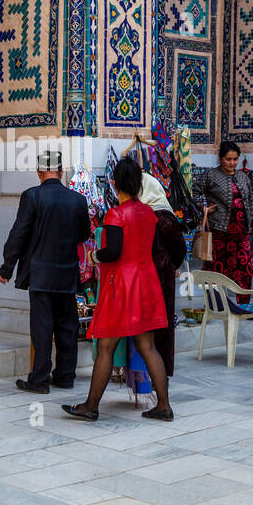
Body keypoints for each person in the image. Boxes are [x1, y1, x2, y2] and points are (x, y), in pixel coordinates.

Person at [63, 157, 173, 422]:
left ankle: (90, 406)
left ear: (114, 183)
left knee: (106, 347)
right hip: (147, 284)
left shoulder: (116, 214)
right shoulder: (149, 212)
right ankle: (164, 406)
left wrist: (93, 258)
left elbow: (113, 252)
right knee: (148, 346)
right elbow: (154, 247)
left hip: (122, 287)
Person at [0, 149, 92, 393]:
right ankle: (65, 375)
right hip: (67, 273)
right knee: (67, 326)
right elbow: (84, 234)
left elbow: (18, 234)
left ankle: (39, 379)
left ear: (39, 172)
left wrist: (7, 267)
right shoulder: (78, 200)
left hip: (40, 273)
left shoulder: (32, 196)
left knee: (42, 327)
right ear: (61, 172)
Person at [192, 141, 253, 302]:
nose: (232, 163)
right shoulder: (211, 175)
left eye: (235, 159)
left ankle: (243, 304)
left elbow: (250, 201)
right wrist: (204, 208)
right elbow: (193, 192)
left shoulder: (243, 177)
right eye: (228, 159)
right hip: (219, 230)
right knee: (217, 267)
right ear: (220, 158)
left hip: (241, 231)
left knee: (243, 266)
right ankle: (216, 305)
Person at [139, 172, 187, 377]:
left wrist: (170, 265)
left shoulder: (162, 216)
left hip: (159, 277)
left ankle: (160, 370)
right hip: (149, 275)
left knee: (160, 324)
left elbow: (179, 247)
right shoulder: (141, 212)